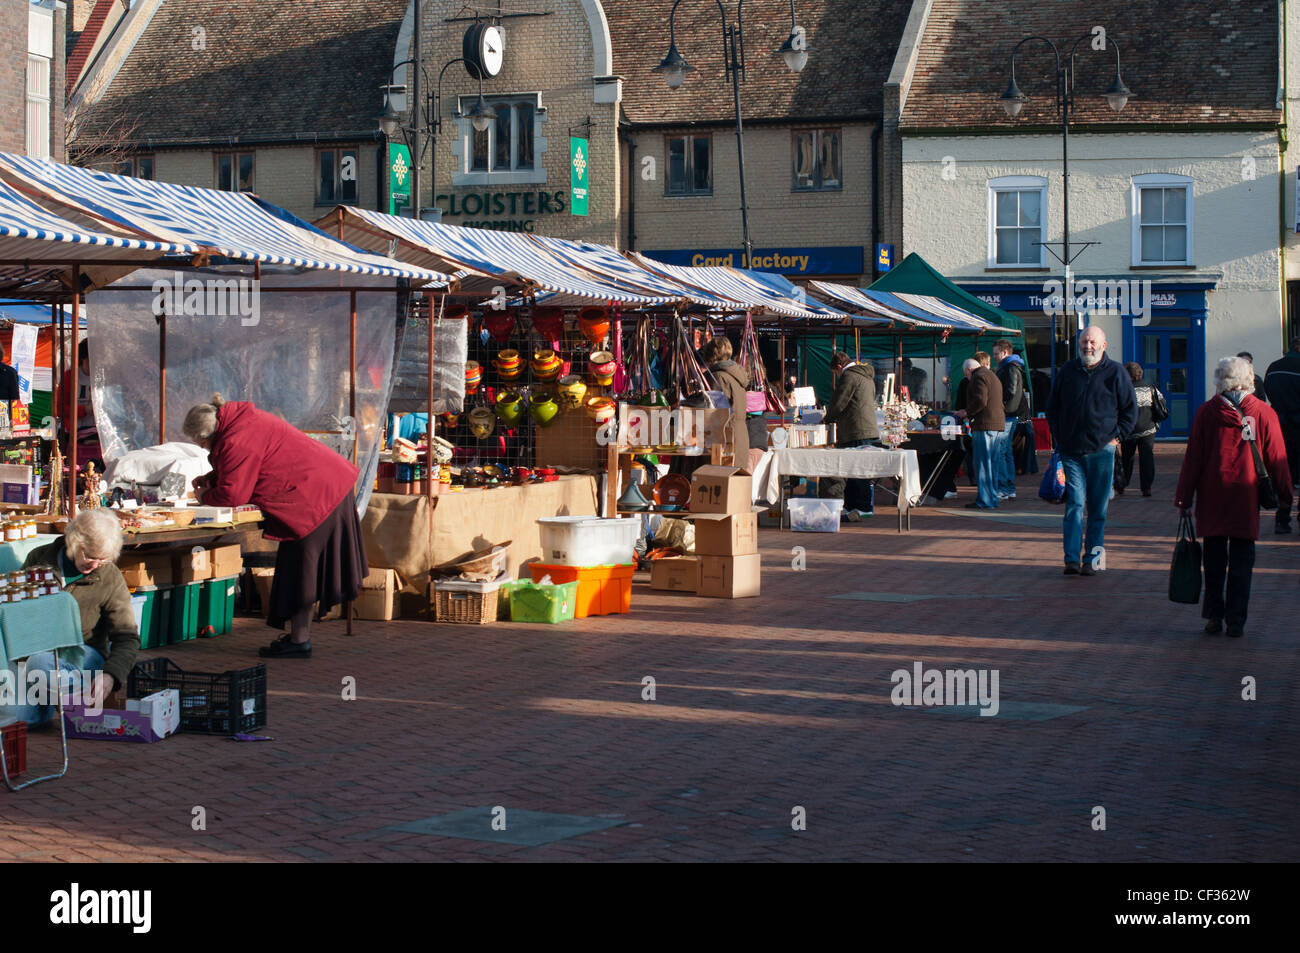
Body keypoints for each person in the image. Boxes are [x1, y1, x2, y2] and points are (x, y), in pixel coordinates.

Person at [184, 394, 367, 658]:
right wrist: (214, 477)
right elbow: (255, 463)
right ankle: (298, 637)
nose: (203, 448)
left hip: (315, 494)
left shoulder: (237, 438)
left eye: (201, 443)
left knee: (302, 566)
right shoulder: (242, 422)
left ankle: (300, 640)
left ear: (207, 434)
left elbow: (233, 495)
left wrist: (205, 497)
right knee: (297, 564)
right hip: (321, 487)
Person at [1175, 356, 1293, 638]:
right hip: (1246, 495)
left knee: (1214, 561)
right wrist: (1286, 495)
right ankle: (1236, 620)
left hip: (1212, 495)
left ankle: (1214, 615)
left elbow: (1193, 459)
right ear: (1248, 379)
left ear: (1220, 380)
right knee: (1242, 562)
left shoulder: (1206, 413)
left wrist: (1184, 498)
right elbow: (1277, 457)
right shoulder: (1264, 413)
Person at [0, 510, 138, 726]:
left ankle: (76, 701)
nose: (94, 564)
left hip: (82, 657)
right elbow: (19, 614)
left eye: (102, 559)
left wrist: (111, 675)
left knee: (42, 662)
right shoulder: (39, 559)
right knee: (11, 712)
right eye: (89, 555)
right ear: (74, 541)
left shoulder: (109, 576)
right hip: (33, 659)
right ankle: (47, 705)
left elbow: (127, 636)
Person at [1046, 327, 1136, 575]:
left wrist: (1117, 437)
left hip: (1102, 451)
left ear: (1103, 345)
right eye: (1084, 341)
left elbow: (1130, 410)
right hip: (1071, 450)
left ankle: (1093, 560)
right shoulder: (1068, 370)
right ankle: (1071, 560)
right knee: (1074, 503)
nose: (1088, 346)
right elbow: (1053, 406)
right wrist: (1058, 434)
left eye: (1092, 342)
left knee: (1098, 509)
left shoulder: (1116, 372)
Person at [820, 351, 878, 520]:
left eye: (835, 373)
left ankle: (861, 507)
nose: (837, 376)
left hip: (855, 430)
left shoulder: (849, 377)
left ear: (839, 367)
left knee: (855, 470)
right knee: (859, 470)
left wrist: (826, 419)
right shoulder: (866, 376)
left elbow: (839, 402)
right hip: (866, 428)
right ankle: (854, 507)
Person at [1263, 337, 1300, 533]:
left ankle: (1282, 519)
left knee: (1284, 475)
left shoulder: (1274, 367)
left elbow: (1268, 391)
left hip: (1279, 425)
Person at [701, 336, 751, 467]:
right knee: (736, 482)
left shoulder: (717, 376)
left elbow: (716, 413)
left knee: (723, 481)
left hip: (726, 438)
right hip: (739, 435)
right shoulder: (735, 375)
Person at [963, 350, 1004, 509]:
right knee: (991, 464)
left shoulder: (978, 377)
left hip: (985, 425)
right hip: (996, 425)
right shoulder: (992, 375)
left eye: (966, 375)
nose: (967, 378)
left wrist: (967, 412)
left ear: (968, 370)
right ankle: (992, 498)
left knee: (982, 463)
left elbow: (980, 400)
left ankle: (985, 500)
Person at [1114, 362, 1163, 497]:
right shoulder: (1150, 388)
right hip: (1148, 429)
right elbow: (1160, 404)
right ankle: (1146, 488)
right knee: (1147, 458)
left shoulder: (1124, 390)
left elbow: (1117, 409)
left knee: (1127, 459)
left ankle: (1122, 484)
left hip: (1129, 430)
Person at [992, 339, 1030, 501]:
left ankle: (1005, 487)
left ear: (1005, 352)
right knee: (1005, 451)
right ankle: (1008, 487)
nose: (994, 357)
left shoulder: (1009, 368)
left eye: (996, 353)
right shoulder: (1012, 366)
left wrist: (1000, 405)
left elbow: (1010, 391)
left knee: (1001, 450)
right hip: (1010, 413)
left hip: (1007, 414)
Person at [953, 357, 979, 486]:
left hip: (971, 419)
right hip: (971, 420)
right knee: (971, 448)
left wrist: (964, 412)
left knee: (970, 448)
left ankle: (974, 477)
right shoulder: (968, 382)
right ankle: (974, 477)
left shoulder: (968, 382)